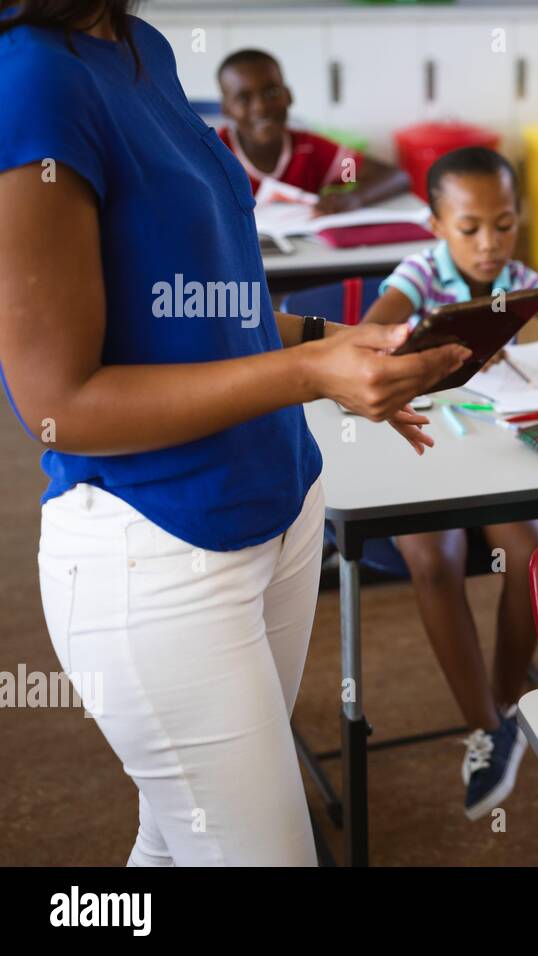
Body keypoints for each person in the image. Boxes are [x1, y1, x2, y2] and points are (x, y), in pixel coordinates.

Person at [0, 0, 467, 865]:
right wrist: (310, 376)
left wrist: (337, 343)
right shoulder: (30, 80)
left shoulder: (138, 47)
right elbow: (59, 402)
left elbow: (217, 310)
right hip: (160, 553)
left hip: (279, 510)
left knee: (175, 842)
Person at [361, 146, 538, 819]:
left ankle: (506, 708)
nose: (488, 244)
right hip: (419, 445)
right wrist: (439, 344)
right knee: (435, 555)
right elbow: (367, 338)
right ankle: (485, 726)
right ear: (436, 225)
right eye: (470, 228)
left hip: (492, 446)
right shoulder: (420, 274)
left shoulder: (514, 277)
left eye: (503, 225)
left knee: (530, 555)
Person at [217, 47, 410, 213]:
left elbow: (396, 177)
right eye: (243, 98)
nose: (261, 107)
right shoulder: (213, 154)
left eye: (272, 93)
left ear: (289, 96)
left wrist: (355, 197)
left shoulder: (309, 149)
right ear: (225, 109)